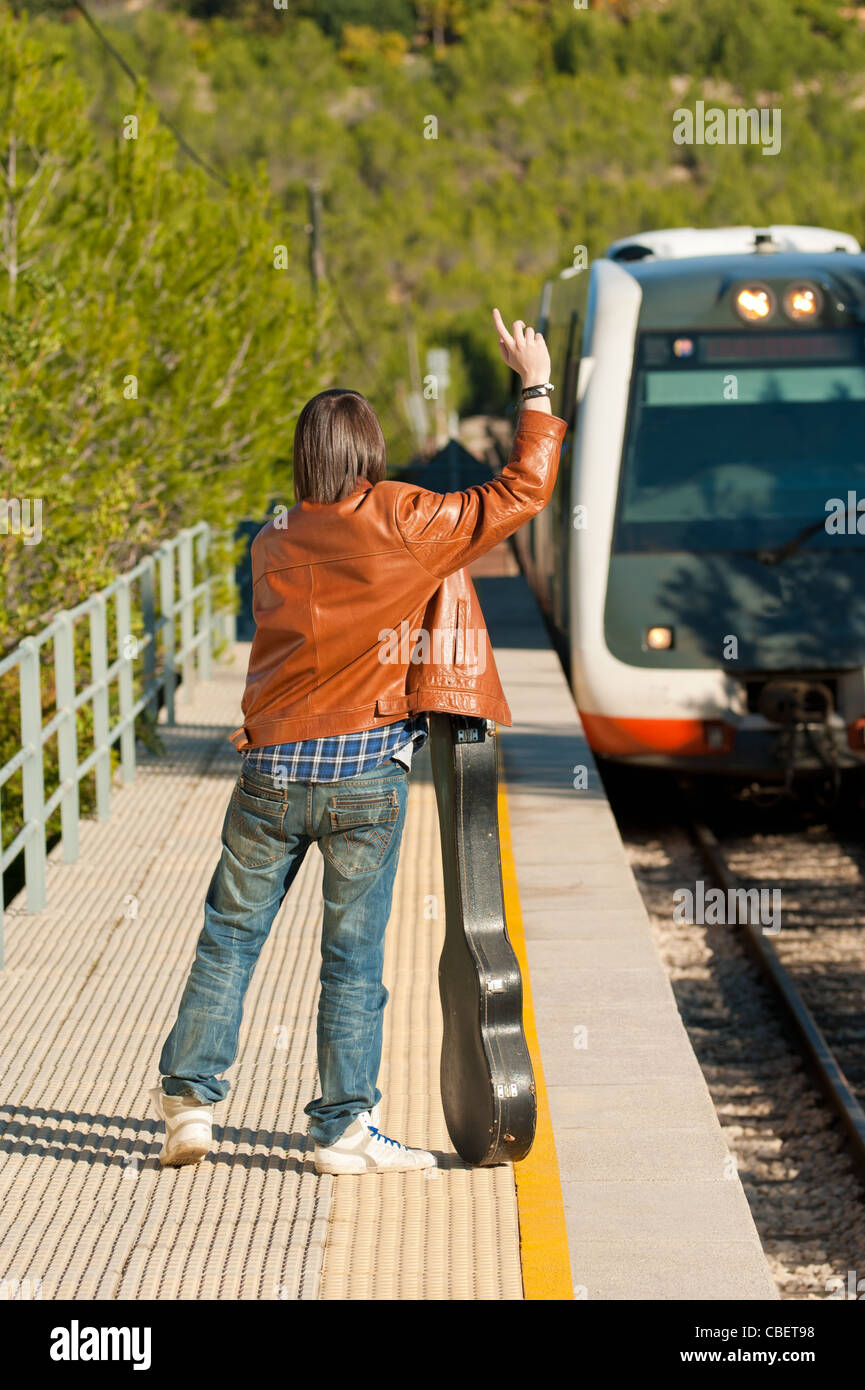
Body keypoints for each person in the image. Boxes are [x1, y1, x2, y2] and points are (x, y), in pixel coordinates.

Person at [151, 309, 567, 1174]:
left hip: (268, 771)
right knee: (349, 957)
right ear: (369, 451)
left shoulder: (271, 540)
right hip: (361, 776)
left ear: (304, 457)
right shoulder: (405, 518)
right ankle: (341, 1130)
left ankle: (188, 1107)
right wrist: (533, 384)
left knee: (228, 937)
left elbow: (275, 649)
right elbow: (520, 492)